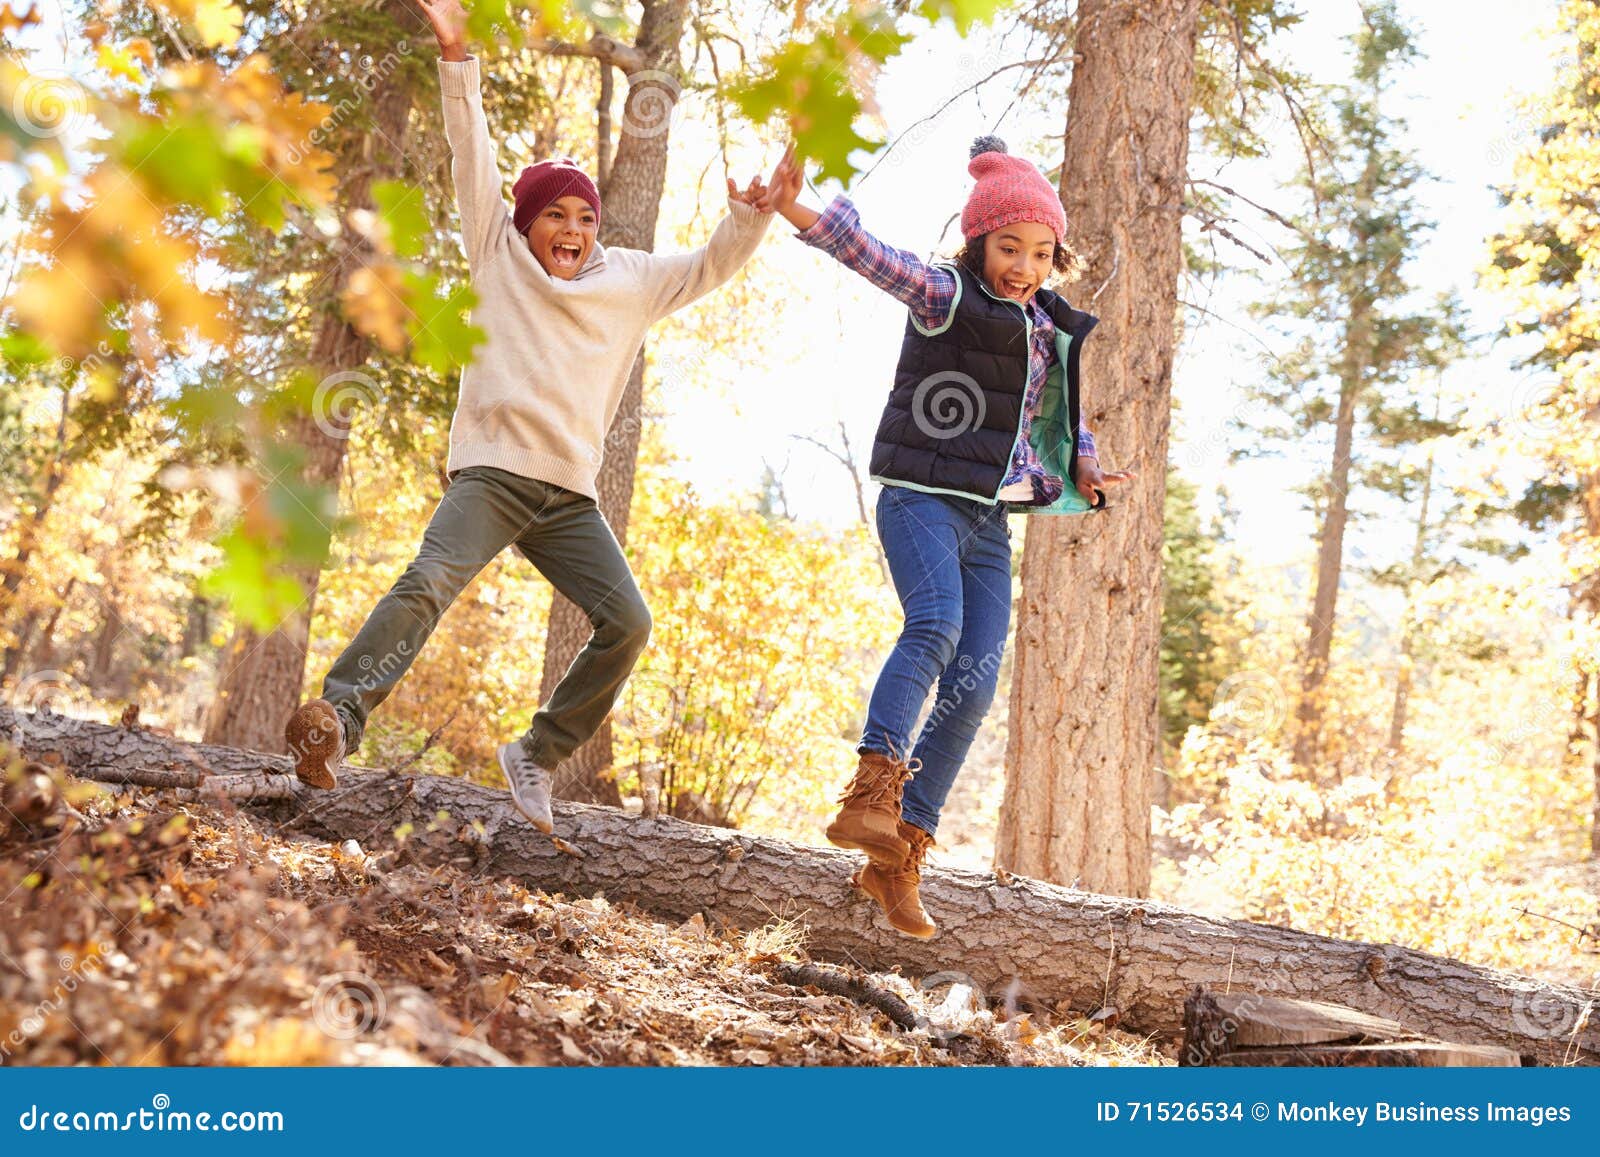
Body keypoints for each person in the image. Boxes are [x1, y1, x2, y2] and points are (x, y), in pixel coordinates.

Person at [284, 0, 775, 835]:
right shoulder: (497, 251)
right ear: (526, 222)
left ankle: (538, 753)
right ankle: (337, 720)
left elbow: (712, 265)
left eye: (584, 217)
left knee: (629, 621)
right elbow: (468, 147)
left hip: (569, 498)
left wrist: (752, 214)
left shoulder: (629, 280)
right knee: (429, 579)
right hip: (495, 474)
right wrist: (455, 54)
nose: (572, 230)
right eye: (556, 214)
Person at [758, 137, 1134, 936]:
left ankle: (898, 857)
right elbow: (874, 256)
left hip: (991, 521)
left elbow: (1052, 419)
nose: (1023, 265)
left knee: (976, 680)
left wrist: (1088, 466)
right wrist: (798, 205)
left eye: (1040, 252)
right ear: (978, 243)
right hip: (922, 499)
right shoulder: (947, 295)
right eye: (1008, 247)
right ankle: (871, 794)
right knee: (936, 624)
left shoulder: (1044, 327)